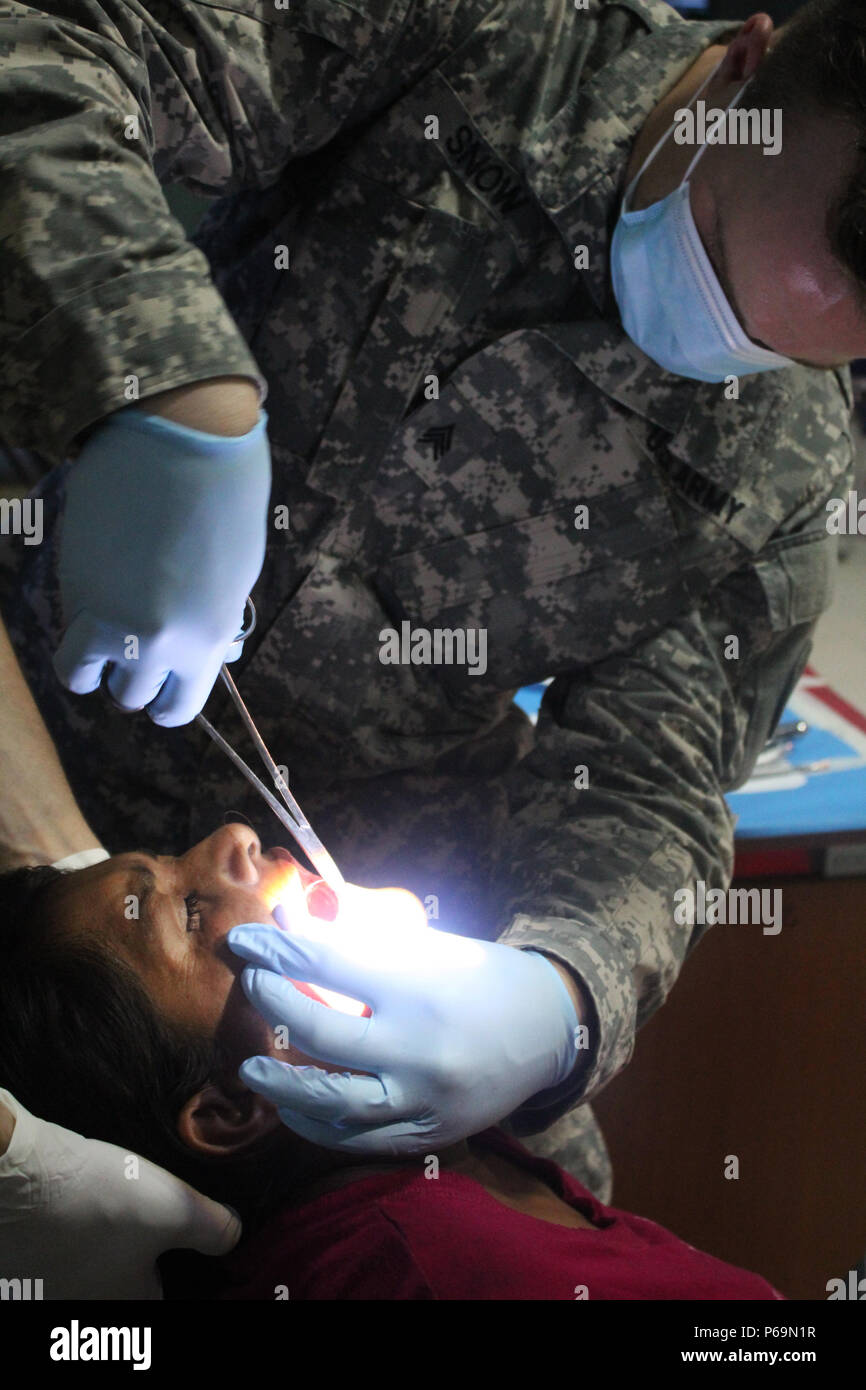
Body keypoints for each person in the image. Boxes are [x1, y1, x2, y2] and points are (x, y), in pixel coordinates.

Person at [0, 0, 859, 1193]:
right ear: (742, 70)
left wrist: (557, 999)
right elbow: (41, 47)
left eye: (792, 350)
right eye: (713, 249)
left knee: (504, 1223)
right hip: (28, 691)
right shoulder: (488, 35)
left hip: (361, 851)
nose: (705, 342)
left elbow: (648, 793)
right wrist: (162, 389)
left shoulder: (789, 476)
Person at [0, 826, 784, 1300]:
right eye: (188, 912)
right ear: (231, 1108)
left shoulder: (439, 1162)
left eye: (171, 858)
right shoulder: (437, 1270)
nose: (233, 838)